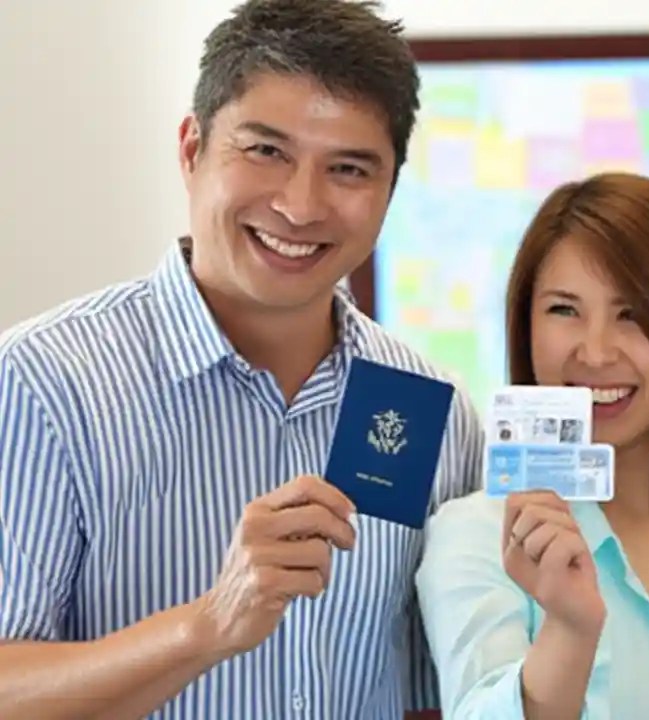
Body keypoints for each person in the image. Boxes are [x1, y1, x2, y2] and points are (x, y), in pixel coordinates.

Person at [0, 1, 482, 717]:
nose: (300, 204)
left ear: (387, 193)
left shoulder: (424, 407)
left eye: (348, 168)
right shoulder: (42, 383)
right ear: (192, 149)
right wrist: (207, 628)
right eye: (266, 151)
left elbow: (436, 690)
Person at [416, 172, 649, 718]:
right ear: (526, 326)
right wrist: (569, 630)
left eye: (633, 314)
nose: (595, 353)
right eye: (564, 310)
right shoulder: (478, 534)